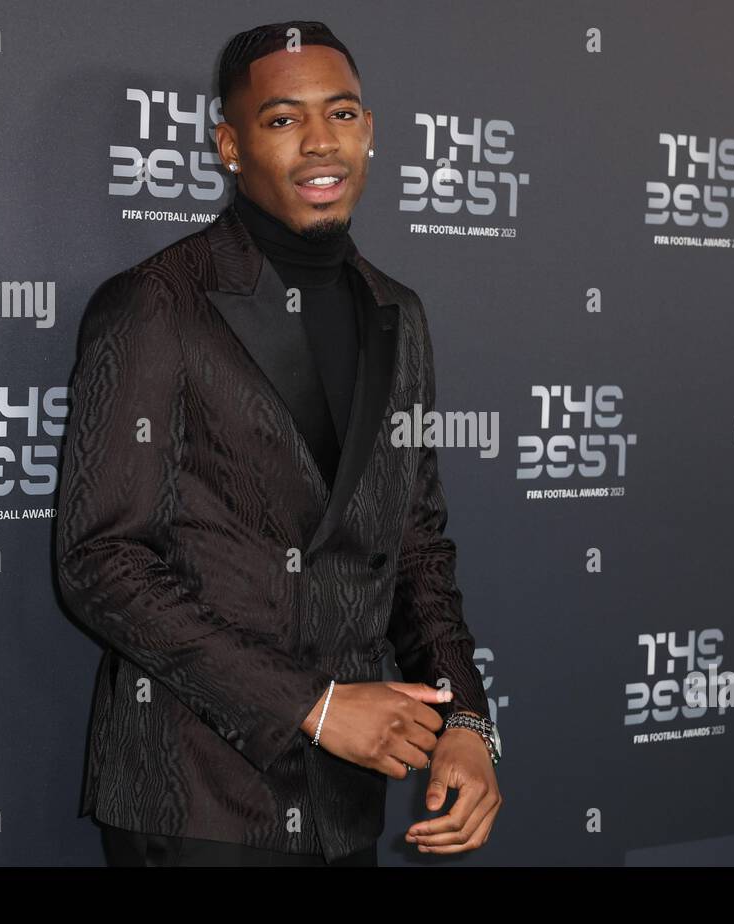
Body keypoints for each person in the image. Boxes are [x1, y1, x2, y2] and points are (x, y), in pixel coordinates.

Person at [55, 20, 502, 867]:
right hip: (195, 798)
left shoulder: (398, 314)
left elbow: (415, 545)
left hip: (344, 803)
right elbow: (102, 561)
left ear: (369, 130)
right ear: (229, 144)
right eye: (282, 119)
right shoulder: (155, 305)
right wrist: (316, 705)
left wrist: (469, 721)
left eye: (341, 113)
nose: (321, 142)